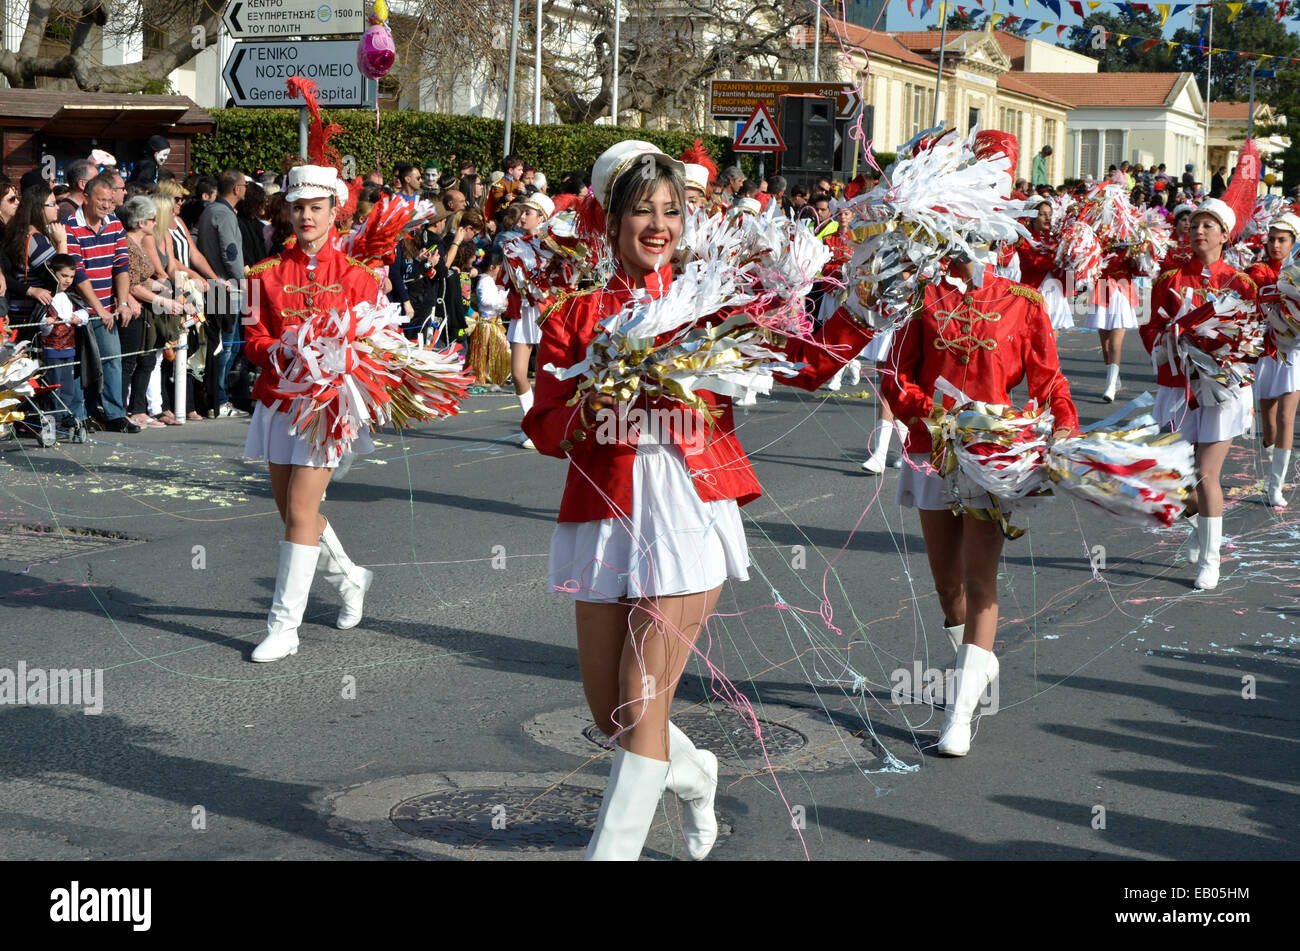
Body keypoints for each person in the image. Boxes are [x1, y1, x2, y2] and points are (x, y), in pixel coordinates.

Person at [523, 141, 874, 860]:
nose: (658, 224)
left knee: (639, 697)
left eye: (670, 210)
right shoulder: (576, 315)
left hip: (689, 507)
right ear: (612, 220)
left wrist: (865, 307)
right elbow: (544, 424)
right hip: (605, 514)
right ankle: (695, 773)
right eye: (642, 210)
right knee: (612, 712)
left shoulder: (712, 304)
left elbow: (804, 364)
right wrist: (594, 399)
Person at [881, 254, 1078, 757]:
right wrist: (934, 413)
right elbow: (895, 377)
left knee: (978, 579)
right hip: (933, 449)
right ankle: (975, 664)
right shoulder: (920, 297)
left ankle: (959, 712)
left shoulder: (1021, 300)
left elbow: (1049, 377)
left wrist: (1063, 424)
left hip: (992, 455)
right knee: (948, 587)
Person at [241, 164, 384, 663]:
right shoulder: (261, 275)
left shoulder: (360, 278)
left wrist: (335, 362)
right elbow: (251, 339)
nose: (306, 216)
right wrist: (287, 348)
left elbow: (372, 342)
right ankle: (350, 578)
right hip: (279, 402)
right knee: (293, 514)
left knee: (301, 512)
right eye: (297, 207)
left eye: (316, 208)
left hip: (329, 408)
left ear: (334, 212)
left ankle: (284, 627)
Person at [1142, 198, 1258, 589]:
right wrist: (1173, 342)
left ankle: (1211, 560)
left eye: (1208, 225)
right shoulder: (1168, 278)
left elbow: (1251, 340)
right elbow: (1150, 328)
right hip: (1178, 386)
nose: (1198, 231)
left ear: (1224, 235)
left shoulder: (1241, 283)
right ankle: (1199, 526)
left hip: (1222, 390)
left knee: (1207, 474)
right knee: (1175, 476)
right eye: (1193, 225)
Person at [64, 174, 141, 433]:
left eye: (110, 200)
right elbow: (78, 273)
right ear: (86, 197)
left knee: (112, 358)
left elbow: (121, 266)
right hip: (77, 306)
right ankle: (78, 416)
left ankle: (115, 414)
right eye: (101, 200)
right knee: (78, 363)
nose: (107, 206)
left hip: (106, 304)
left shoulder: (115, 224)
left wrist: (122, 303)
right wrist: (98, 309)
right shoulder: (69, 227)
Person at [1249, 213, 1300, 508]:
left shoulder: (1298, 271)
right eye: (1272, 239)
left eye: (1282, 240)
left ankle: (1274, 486)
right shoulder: (1256, 272)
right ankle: (1271, 458)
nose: (1275, 245)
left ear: (1293, 243)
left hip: (1293, 350)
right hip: (1265, 350)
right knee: (1268, 420)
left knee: (1285, 418)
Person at [197, 169, 250, 418]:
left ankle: (216, 397)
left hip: (216, 284)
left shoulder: (212, 210)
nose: (246, 190)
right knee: (225, 345)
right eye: (244, 186)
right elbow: (231, 254)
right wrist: (243, 280)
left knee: (223, 343)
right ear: (237, 189)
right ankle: (217, 398)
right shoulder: (223, 214)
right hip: (225, 286)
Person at [34, 253, 91, 441]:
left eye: (71, 277)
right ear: (53, 274)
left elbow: (84, 311)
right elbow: (39, 324)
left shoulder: (69, 297)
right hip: (51, 351)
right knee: (52, 387)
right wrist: (47, 323)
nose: (68, 281)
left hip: (69, 349)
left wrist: (79, 318)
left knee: (68, 388)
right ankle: (52, 421)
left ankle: (63, 419)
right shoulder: (46, 297)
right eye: (64, 276)